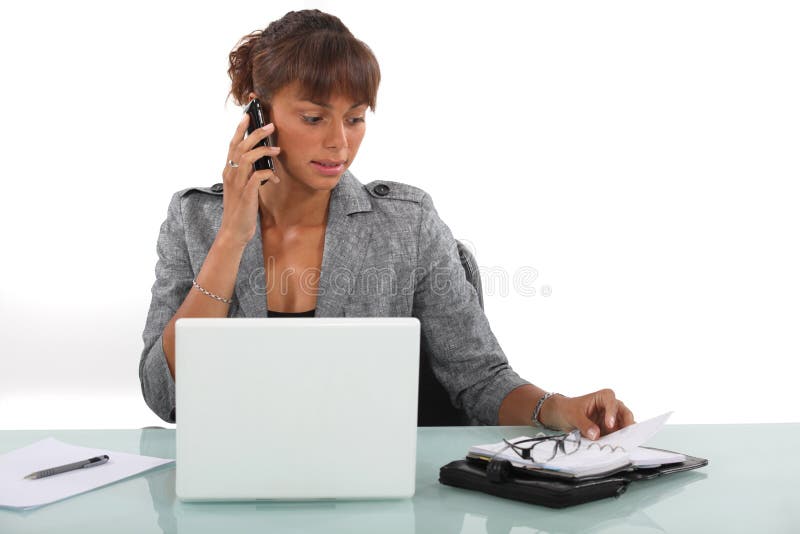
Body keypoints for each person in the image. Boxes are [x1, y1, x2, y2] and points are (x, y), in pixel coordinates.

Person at [139, 9, 634, 438]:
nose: (340, 143)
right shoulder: (194, 221)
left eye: (354, 119)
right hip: (235, 478)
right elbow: (165, 395)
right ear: (257, 114)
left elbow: (478, 379)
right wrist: (231, 237)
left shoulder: (406, 225)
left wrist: (557, 408)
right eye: (314, 118)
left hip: (376, 482)